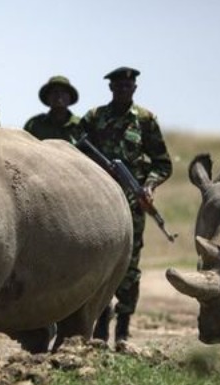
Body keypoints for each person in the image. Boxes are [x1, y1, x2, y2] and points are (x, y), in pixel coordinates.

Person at [79, 66, 172, 344]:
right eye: (118, 86)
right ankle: (99, 327)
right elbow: (75, 151)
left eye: (128, 86)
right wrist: (97, 170)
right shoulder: (94, 118)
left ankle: (123, 330)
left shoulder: (145, 120)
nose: (123, 90)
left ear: (134, 89)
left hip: (132, 205)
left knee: (129, 268)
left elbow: (162, 163)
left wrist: (149, 186)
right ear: (111, 89)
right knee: (98, 264)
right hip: (96, 203)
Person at [23, 75, 82, 143]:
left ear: (70, 97)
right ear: (47, 97)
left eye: (63, 92)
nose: (59, 95)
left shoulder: (81, 125)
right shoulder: (34, 124)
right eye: (55, 92)